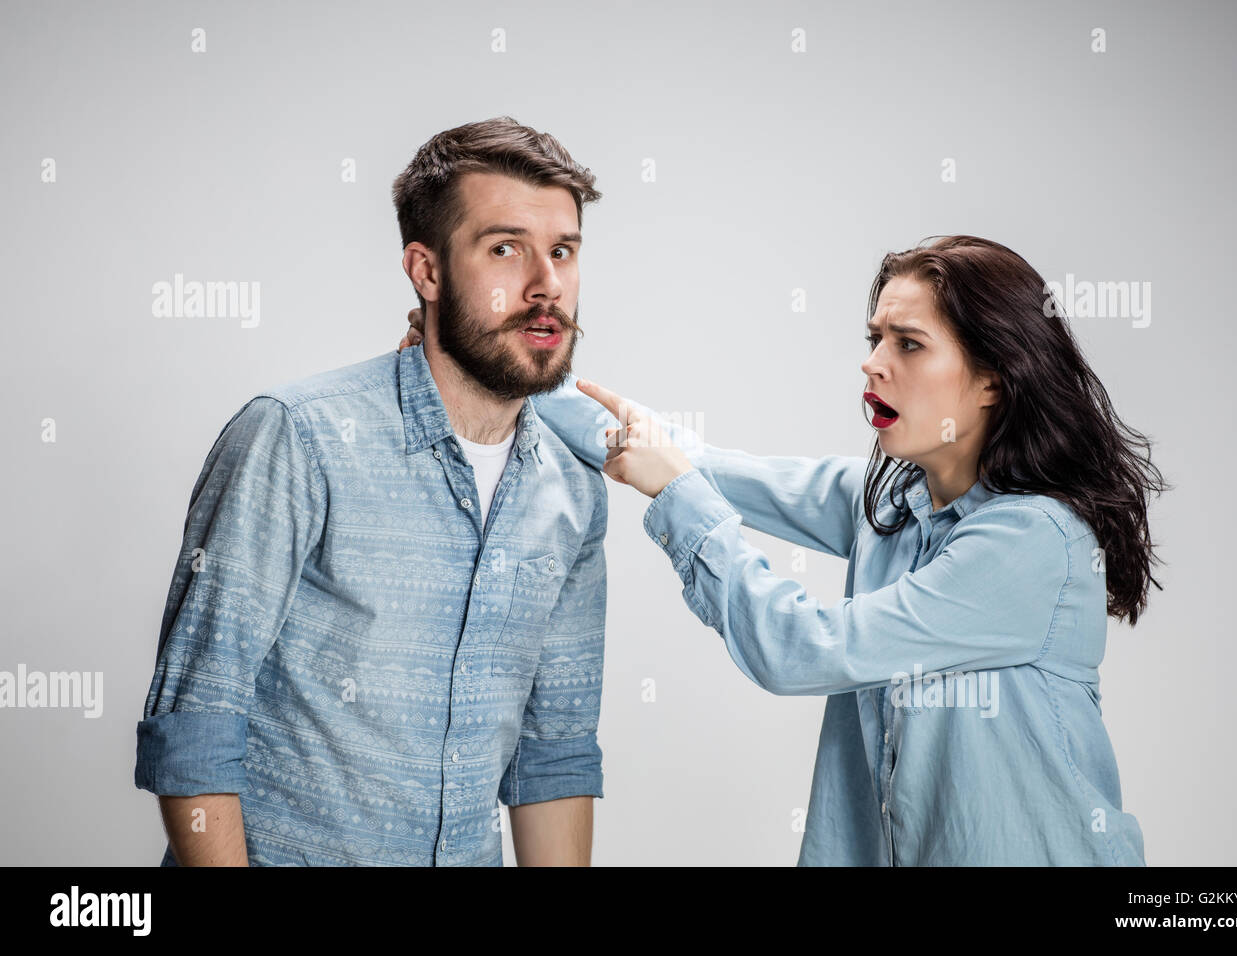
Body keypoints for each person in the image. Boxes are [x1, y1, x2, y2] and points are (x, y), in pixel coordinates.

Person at [402, 234, 1166, 865]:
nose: (873, 363)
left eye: (909, 344)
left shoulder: (1033, 541)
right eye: (874, 339)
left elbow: (805, 649)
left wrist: (677, 494)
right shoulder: (894, 503)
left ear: (994, 379)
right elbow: (694, 460)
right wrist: (489, 362)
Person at [135, 116, 610, 866]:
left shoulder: (574, 488)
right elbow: (196, 725)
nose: (546, 285)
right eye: (505, 249)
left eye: (563, 251)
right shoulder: (295, 438)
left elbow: (553, 756)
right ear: (426, 272)